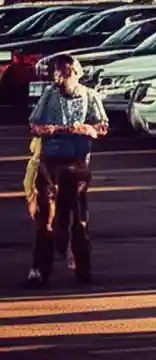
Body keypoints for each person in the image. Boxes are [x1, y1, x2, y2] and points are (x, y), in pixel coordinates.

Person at [27, 55, 107, 288]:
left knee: (79, 218)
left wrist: (88, 129)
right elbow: (34, 125)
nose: (58, 77)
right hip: (50, 161)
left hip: (77, 163)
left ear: (74, 72)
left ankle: (83, 267)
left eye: (63, 73)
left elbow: (102, 126)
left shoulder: (90, 96)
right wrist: (47, 130)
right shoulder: (49, 95)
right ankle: (40, 268)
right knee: (46, 217)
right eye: (56, 73)